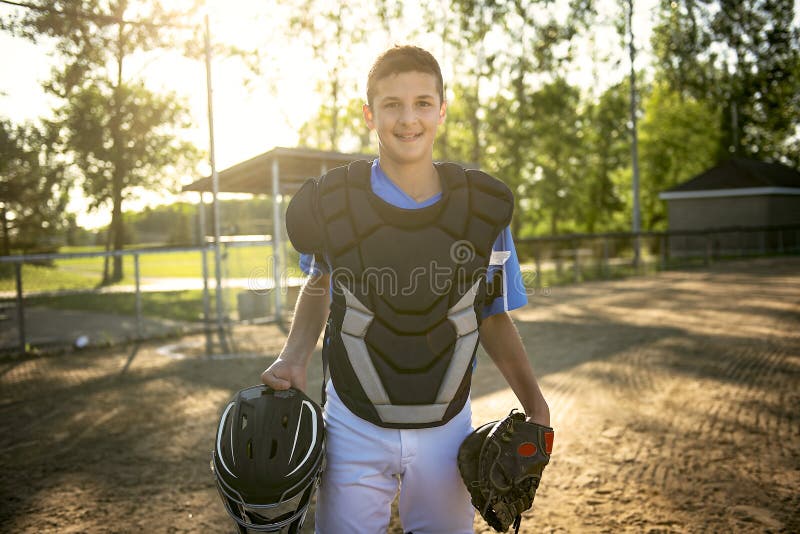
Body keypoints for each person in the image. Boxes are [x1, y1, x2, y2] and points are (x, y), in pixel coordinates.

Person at [261, 45, 550, 534]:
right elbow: (320, 283)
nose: (407, 118)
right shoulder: (334, 203)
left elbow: (493, 313)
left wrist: (536, 403)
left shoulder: (481, 209)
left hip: (447, 426)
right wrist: (294, 356)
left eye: (421, 102)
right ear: (369, 113)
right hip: (353, 423)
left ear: (441, 109)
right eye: (391, 104)